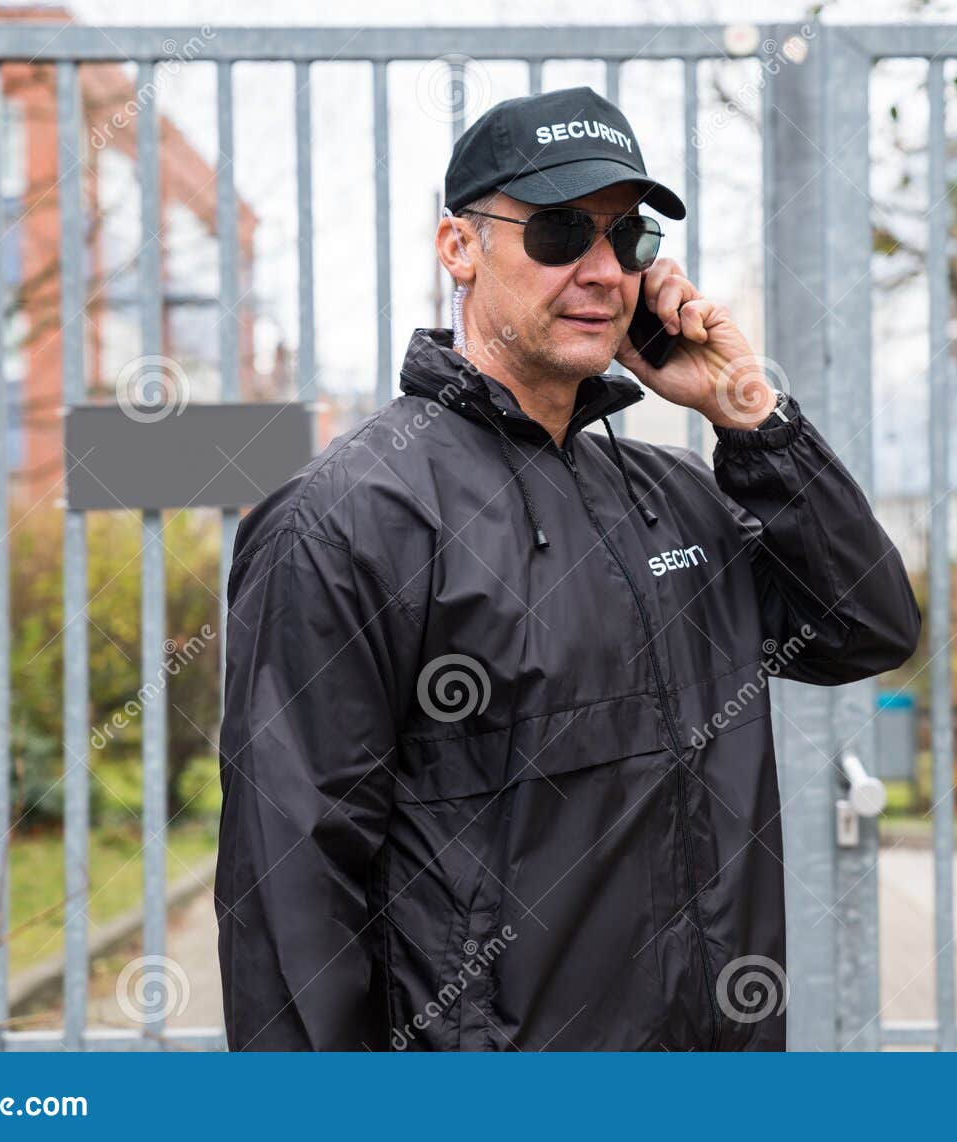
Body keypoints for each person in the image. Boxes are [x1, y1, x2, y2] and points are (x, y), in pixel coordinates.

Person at [215, 84, 921, 1051]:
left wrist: (749, 414)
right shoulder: (348, 519)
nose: (601, 272)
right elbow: (290, 896)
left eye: (626, 238)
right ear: (459, 247)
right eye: (557, 233)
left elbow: (865, 627)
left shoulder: (673, 496)